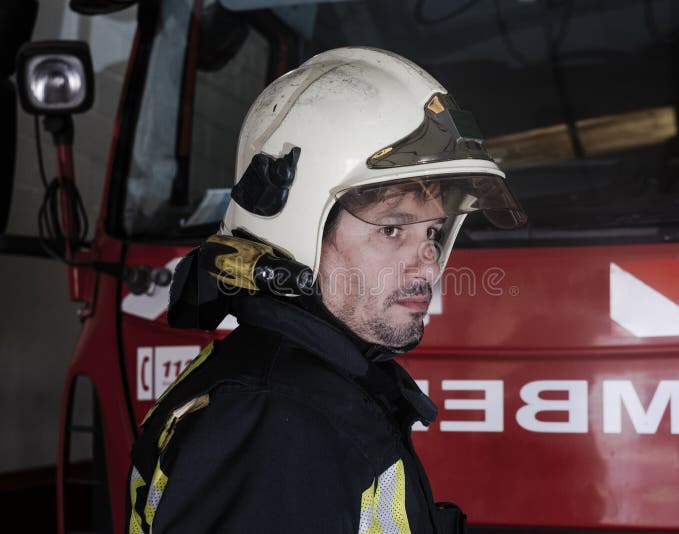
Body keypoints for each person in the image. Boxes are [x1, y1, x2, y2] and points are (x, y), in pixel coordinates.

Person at [126, 47, 526, 533]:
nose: (426, 262)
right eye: (392, 230)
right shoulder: (274, 422)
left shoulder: (315, 392)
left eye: (432, 234)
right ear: (301, 234)